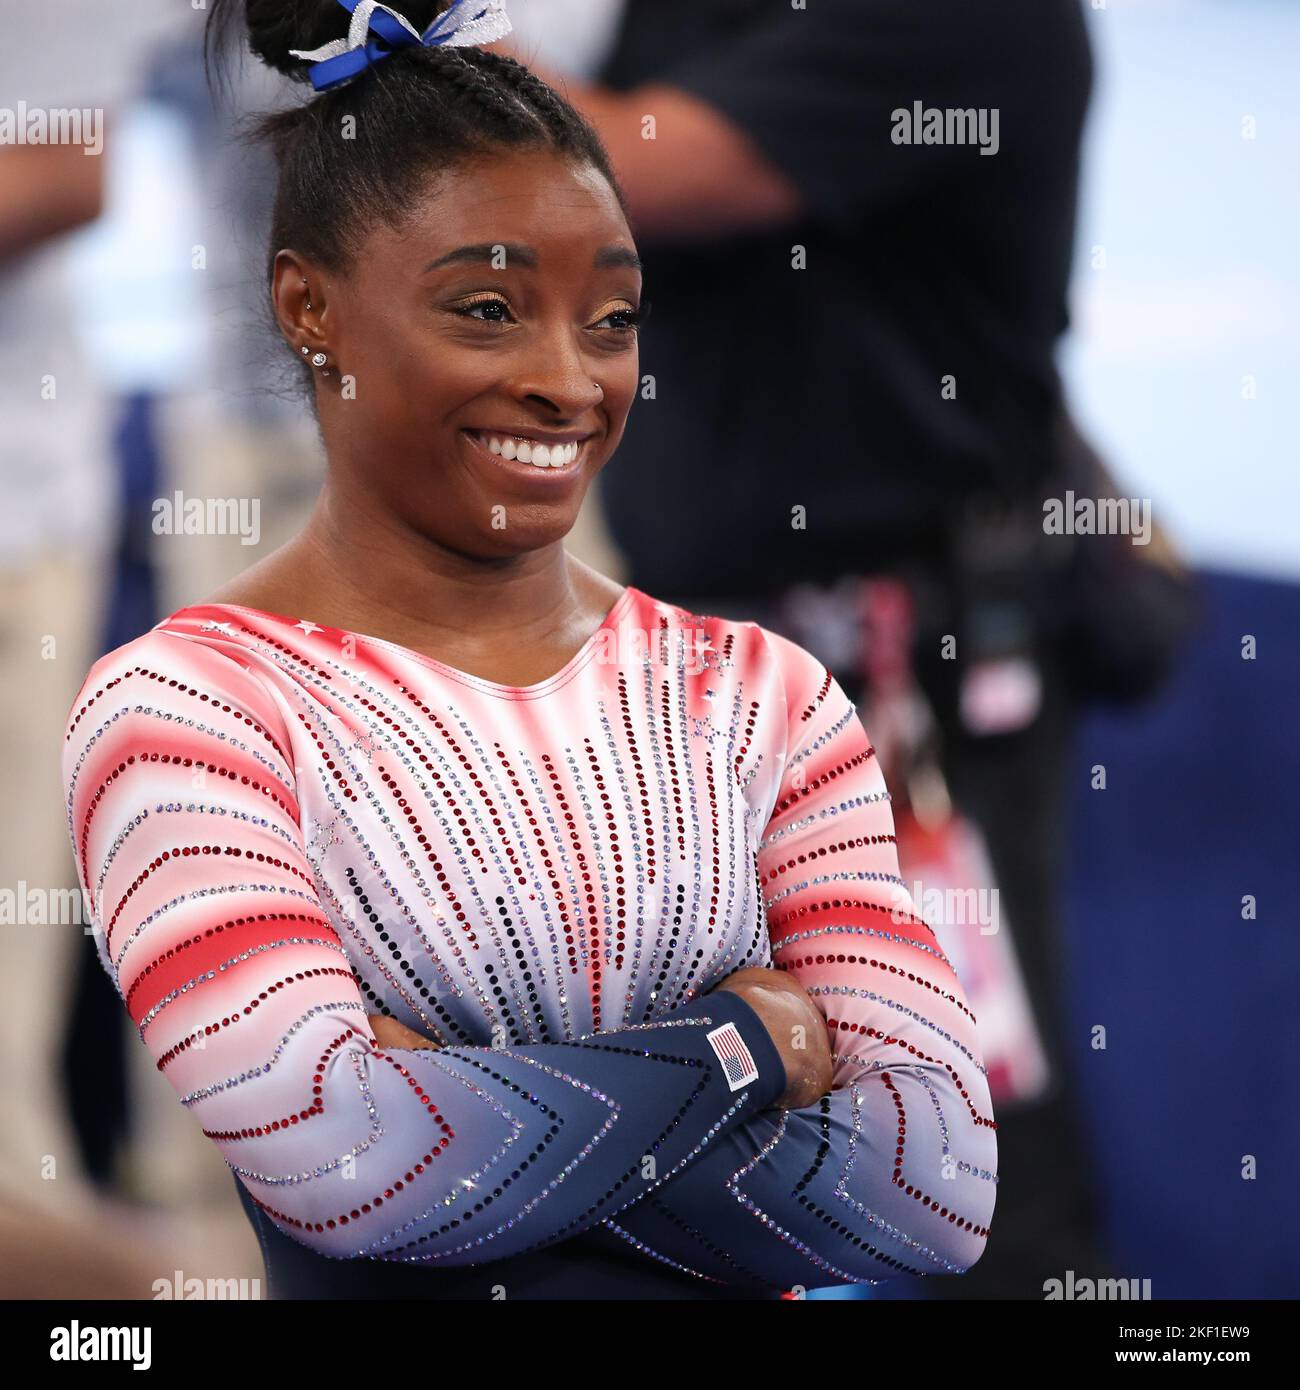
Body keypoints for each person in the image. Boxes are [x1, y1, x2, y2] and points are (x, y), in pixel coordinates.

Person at [59, 0, 997, 1299]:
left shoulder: (762, 697)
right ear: (309, 307)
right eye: (489, 308)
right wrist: (742, 1046)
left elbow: (930, 1189)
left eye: (611, 318)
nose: (571, 377)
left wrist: (466, 1138)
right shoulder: (189, 709)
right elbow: (343, 1164)